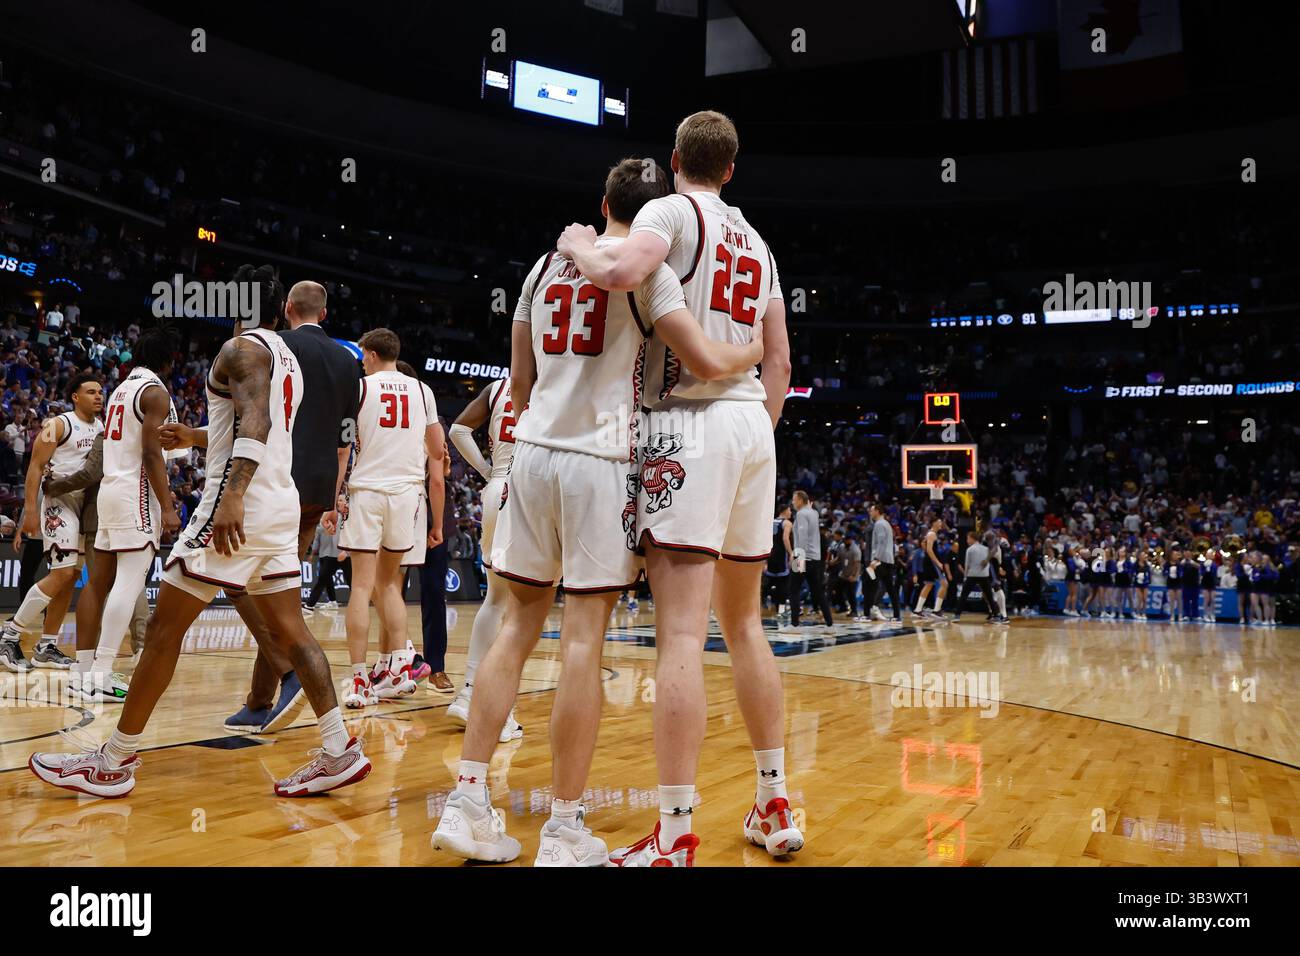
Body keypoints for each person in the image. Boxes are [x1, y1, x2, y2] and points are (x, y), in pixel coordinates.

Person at [434, 155, 766, 866]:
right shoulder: (652, 269)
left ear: (603, 199)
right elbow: (703, 360)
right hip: (602, 463)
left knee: (514, 628)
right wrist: (753, 354)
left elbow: (516, 383)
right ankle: (563, 828)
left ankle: (466, 802)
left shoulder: (542, 267)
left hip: (530, 453)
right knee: (582, 642)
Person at [557, 114, 801, 865]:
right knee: (747, 626)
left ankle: (675, 833)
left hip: (688, 424)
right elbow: (782, 364)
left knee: (684, 637)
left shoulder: (666, 208)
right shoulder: (757, 242)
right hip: (752, 428)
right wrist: (748, 435)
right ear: (732, 169)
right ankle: (774, 799)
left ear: (674, 162)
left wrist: (574, 245)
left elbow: (625, 273)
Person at [30, 264, 370, 797]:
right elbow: (258, 420)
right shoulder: (287, 359)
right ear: (281, 308)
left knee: (165, 631)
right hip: (281, 502)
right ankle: (337, 748)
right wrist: (193, 435)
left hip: (239, 502)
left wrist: (232, 494)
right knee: (292, 629)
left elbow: (254, 423)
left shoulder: (242, 351)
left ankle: (112, 762)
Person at [221, 279, 361, 733]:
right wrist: (337, 491)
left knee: (235, 581)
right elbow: (345, 434)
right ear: (324, 313)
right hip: (320, 485)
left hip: (276, 476)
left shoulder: (275, 347)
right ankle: (260, 700)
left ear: (286, 309)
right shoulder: (349, 360)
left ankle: (288, 669)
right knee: (271, 588)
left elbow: (261, 416)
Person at [66, 329, 182, 701]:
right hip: (136, 493)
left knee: (98, 581)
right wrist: (166, 505)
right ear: (168, 360)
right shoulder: (155, 392)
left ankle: (81, 670)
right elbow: (151, 453)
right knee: (129, 582)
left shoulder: (118, 391)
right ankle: (100, 673)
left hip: (111, 491)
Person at [337, 328, 443, 708]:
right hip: (405, 496)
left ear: (368, 354)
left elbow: (344, 448)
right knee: (390, 586)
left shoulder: (360, 388)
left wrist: (335, 498)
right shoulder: (422, 390)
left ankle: (360, 679)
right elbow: (437, 448)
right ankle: (399, 666)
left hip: (367, 492)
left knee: (362, 587)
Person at [0, 373, 103, 671]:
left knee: (70, 577)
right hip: (59, 501)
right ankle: (10, 637)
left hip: (87, 507)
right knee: (61, 574)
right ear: (75, 396)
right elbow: (35, 467)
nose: (98, 396)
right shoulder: (59, 424)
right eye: (91, 392)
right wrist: (30, 510)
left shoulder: (103, 427)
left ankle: (47, 646)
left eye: (100, 392)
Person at [446, 376, 522, 734]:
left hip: (496, 490)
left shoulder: (497, 386)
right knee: (523, 609)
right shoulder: (555, 378)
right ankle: (499, 709)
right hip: (530, 491)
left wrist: (487, 471)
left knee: (495, 601)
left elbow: (458, 430)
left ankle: (469, 694)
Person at [789, 490, 833, 628]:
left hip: (803, 557)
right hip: (815, 559)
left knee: (793, 590)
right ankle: (829, 624)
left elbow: (802, 537)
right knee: (818, 592)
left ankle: (794, 625)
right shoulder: (814, 513)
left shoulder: (801, 514)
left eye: (794, 499)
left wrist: (798, 559)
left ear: (801, 500)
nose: (792, 502)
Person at [867, 503, 900, 622]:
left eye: (871, 511)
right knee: (889, 588)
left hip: (881, 559)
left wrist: (876, 559)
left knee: (873, 584)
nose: (870, 513)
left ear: (877, 511)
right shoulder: (886, 523)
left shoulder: (880, 524)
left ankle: (873, 609)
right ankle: (896, 615)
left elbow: (880, 543)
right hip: (888, 559)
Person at [912, 517, 949, 620]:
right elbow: (929, 550)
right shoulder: (931, 534)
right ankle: (936, 611)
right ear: (933, 523)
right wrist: (937, 562)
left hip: (929, 563)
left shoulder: (931, 534)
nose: (941, 523)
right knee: (945, 584)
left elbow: (926, 548)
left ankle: (918, 610)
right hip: (932, 563)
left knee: (929, 585)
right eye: (939, 521)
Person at [953, 531, 993, 622]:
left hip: (972, 575)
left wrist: (965, 576)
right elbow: (987, 563)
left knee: (963, 596)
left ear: (971, 538)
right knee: (989, 596)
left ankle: (957, 615)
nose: (967, 540)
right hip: (984, 575)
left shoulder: (970, 549)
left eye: (967, 538)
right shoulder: (986, 549)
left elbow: (967, 564)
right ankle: (996, 615)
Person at [302, 522, 341, 612]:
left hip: (335, 554)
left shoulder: (338, 521)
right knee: (327, 579)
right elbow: (316, 540)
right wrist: (312, 554)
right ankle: (333, 601)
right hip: (324, 554)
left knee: (323, 579)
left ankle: (309, 604)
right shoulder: (321, 523)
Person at [764, 504, 792, 620]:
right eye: (790, 510)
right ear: (785, 511)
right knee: (783, 584)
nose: (791, 512)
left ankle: (765, 598)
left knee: (771, 582)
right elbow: (785, 538)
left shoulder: (771, 522)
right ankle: (780, 611)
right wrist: (791, 552)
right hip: (781, 556)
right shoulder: (787, 523)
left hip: (770, 554)